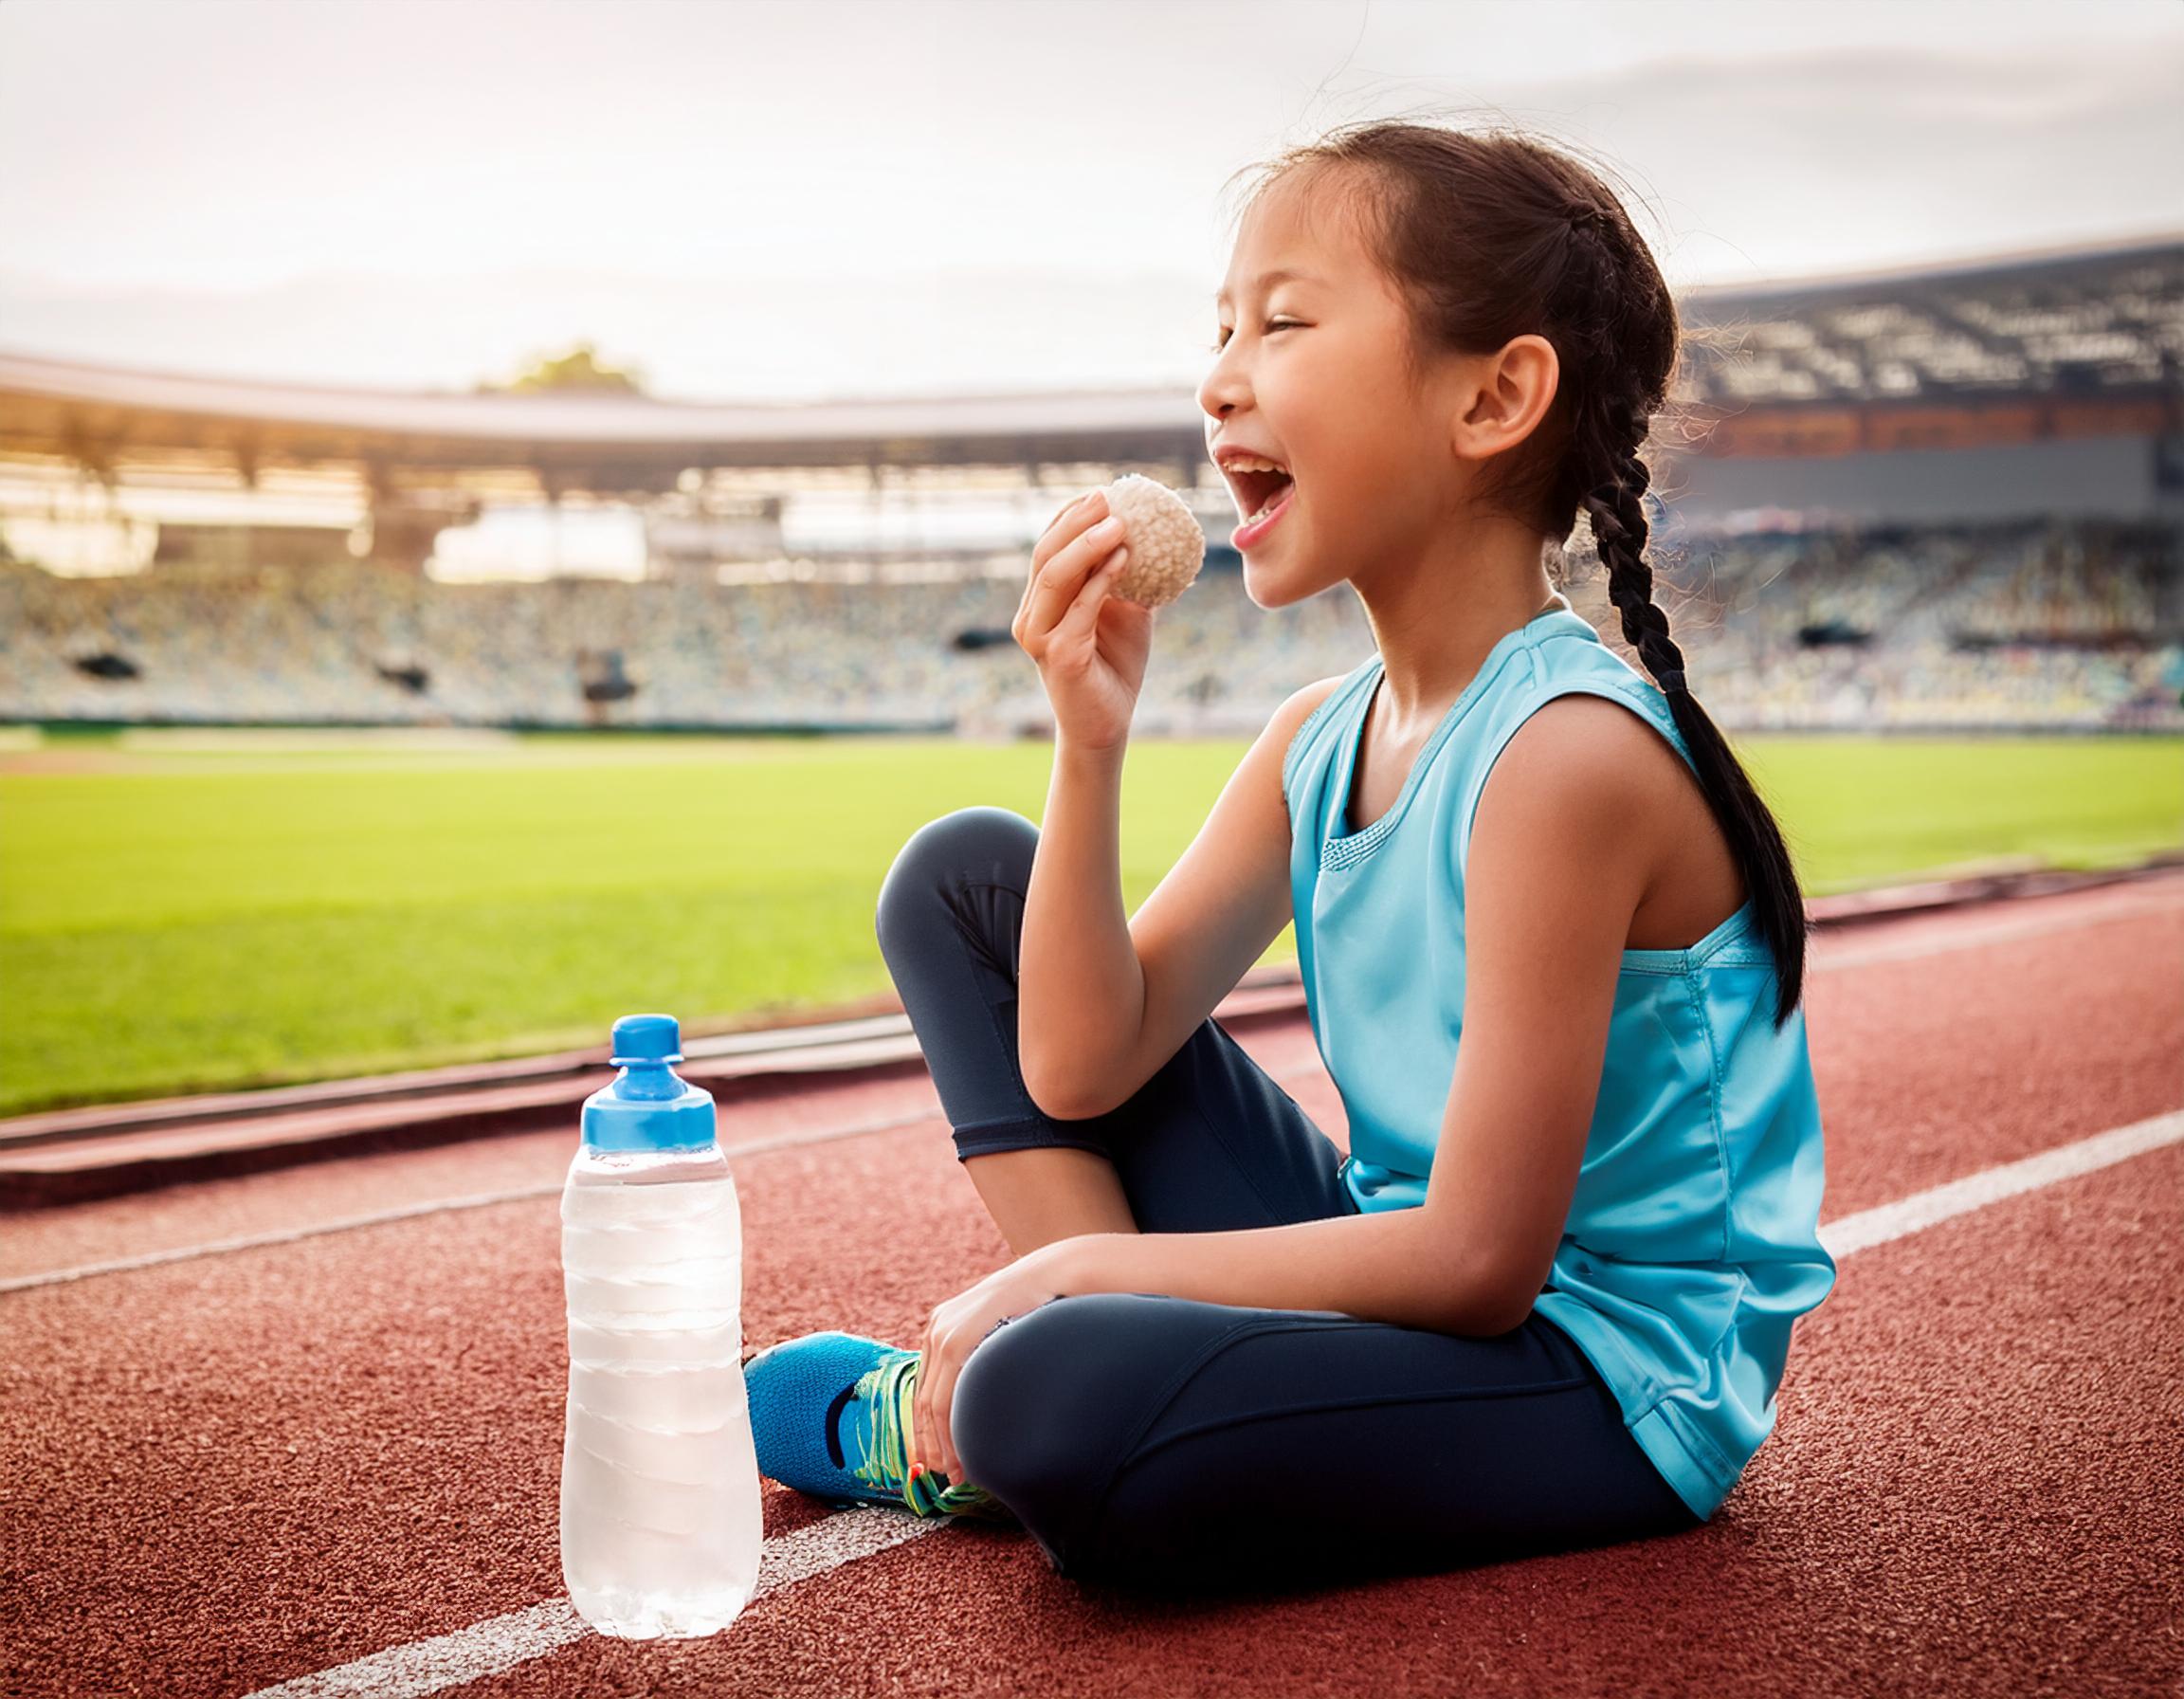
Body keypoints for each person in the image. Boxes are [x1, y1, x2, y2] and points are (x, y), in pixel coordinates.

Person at [745, 119, 1837, 1594]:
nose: (1218, 379)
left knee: (1052, 1393)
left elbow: (1478, 1264)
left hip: (1598, 1376)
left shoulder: (1566, 758)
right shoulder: (1316, 737)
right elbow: (1077, 1068)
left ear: (1494, 397)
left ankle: (1028, 1396)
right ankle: (1030, 1396)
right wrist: (1089, 740)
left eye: (1283, 322)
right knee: (963, 880)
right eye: (1220, 331)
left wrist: (1078, 1270)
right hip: (1403, 1276)